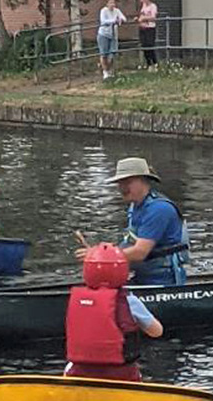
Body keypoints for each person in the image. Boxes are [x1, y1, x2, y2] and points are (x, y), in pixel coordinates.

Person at [77, 157, 190, 286]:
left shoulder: (159, 209)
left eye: (127, 182)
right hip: (143, 277)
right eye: (120, 183)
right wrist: (103, 251)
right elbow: (130, 244)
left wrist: (99, 257)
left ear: (143, 181)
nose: (122, 188)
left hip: (164, 281)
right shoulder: (135, 207)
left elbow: (140, 252)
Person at [65, 243, 163, 382]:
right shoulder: (129, 301)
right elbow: (156, 331)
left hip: (79, 373)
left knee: (68, 369)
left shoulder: (76, 299)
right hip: (121, 374)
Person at [97, 0, 127, 80]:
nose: (112, 5)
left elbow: (123, 18)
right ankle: (105, 72)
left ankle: (108, 69)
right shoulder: (103, 11)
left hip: (113, 35)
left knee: (112, 54)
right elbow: (103, 21)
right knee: (104, 54)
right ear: (107, 4)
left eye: (113, 3)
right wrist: (114, 21)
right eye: (110, 3)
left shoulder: (117, 11)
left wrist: (120, 20)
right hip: (103, 34)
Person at [136, 0, 158, 68]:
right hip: (143, 27)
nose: (141, 0)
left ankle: (155, 63)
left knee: (150, 45)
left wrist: (144, 18)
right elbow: (141, 15)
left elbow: (153, 17)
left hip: (150, 28)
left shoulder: (153, 6)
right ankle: (149, 64)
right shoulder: (143, 6)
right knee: (144, 45)